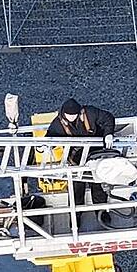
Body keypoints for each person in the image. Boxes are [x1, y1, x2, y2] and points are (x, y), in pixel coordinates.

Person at [47, 99, 119, 230]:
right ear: (63, 114)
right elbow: (50, 137)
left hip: (95, 157)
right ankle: (75, 217)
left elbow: (108, 118)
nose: (71, 118)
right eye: (69, 116)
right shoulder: (58, 123)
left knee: (99, 188)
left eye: (74, 115)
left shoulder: (90, 113)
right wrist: (47, 147)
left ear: (79, 112)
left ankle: (102, 214)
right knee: (76, 191)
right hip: (75, 161)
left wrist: (108, 134)